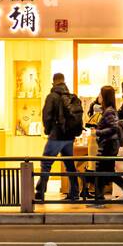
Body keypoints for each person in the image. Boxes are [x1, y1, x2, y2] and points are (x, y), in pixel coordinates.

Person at [36, 72, 84, 203]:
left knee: (46, 164)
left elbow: (46, 116)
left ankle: (40, 192)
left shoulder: (52, 97)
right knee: (69, 164)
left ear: (53, 82)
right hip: (69, 137)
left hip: (56, 136)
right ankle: (74, 193)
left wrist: (48, 130)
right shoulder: (70, 96)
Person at [92, 84, 123, 207]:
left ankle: (99, 199)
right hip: (109, 145)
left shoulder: (109, 111)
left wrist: (97, 132)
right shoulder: (110, 110)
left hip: (107, 145)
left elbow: (113, 128)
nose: (99, 97)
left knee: (100, 171)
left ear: (104, 96)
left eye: (100, 94)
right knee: (108, 171)